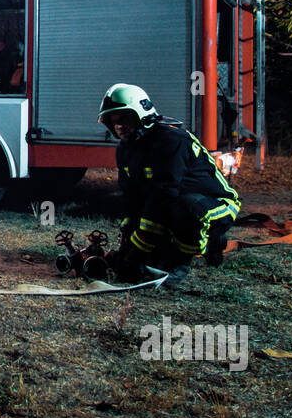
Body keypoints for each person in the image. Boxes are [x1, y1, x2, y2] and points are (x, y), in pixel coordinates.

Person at [98, 83, 241, 287]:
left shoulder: (171, 140)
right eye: (114, 121)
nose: (119, 126)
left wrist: (141, 246)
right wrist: (128, 245)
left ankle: (182, 262)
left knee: (185, 209)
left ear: (141, 114)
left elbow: (163, 194)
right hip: (174, 203)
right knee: (139, 254)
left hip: (215, 204)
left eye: (124, 119)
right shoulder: (125, 149)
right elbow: (133, 198)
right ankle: (171, 253)